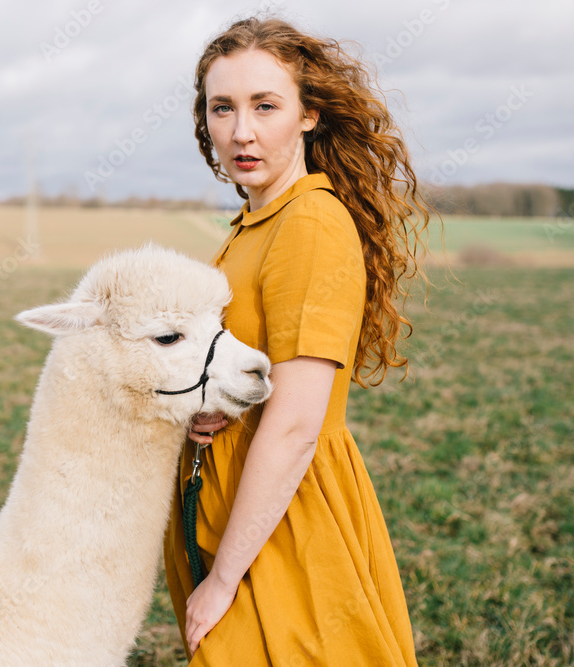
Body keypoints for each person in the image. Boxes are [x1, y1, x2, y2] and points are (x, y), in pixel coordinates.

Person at [161, 16, 431, 666]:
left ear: (309, 114)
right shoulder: (256, 220)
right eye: (221, 107)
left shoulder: (308, 221)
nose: (241, 131)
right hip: (238, 516)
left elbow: (297, 424)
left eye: (265, 105)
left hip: (284, 525)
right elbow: (258, 369)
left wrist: (224, 578)